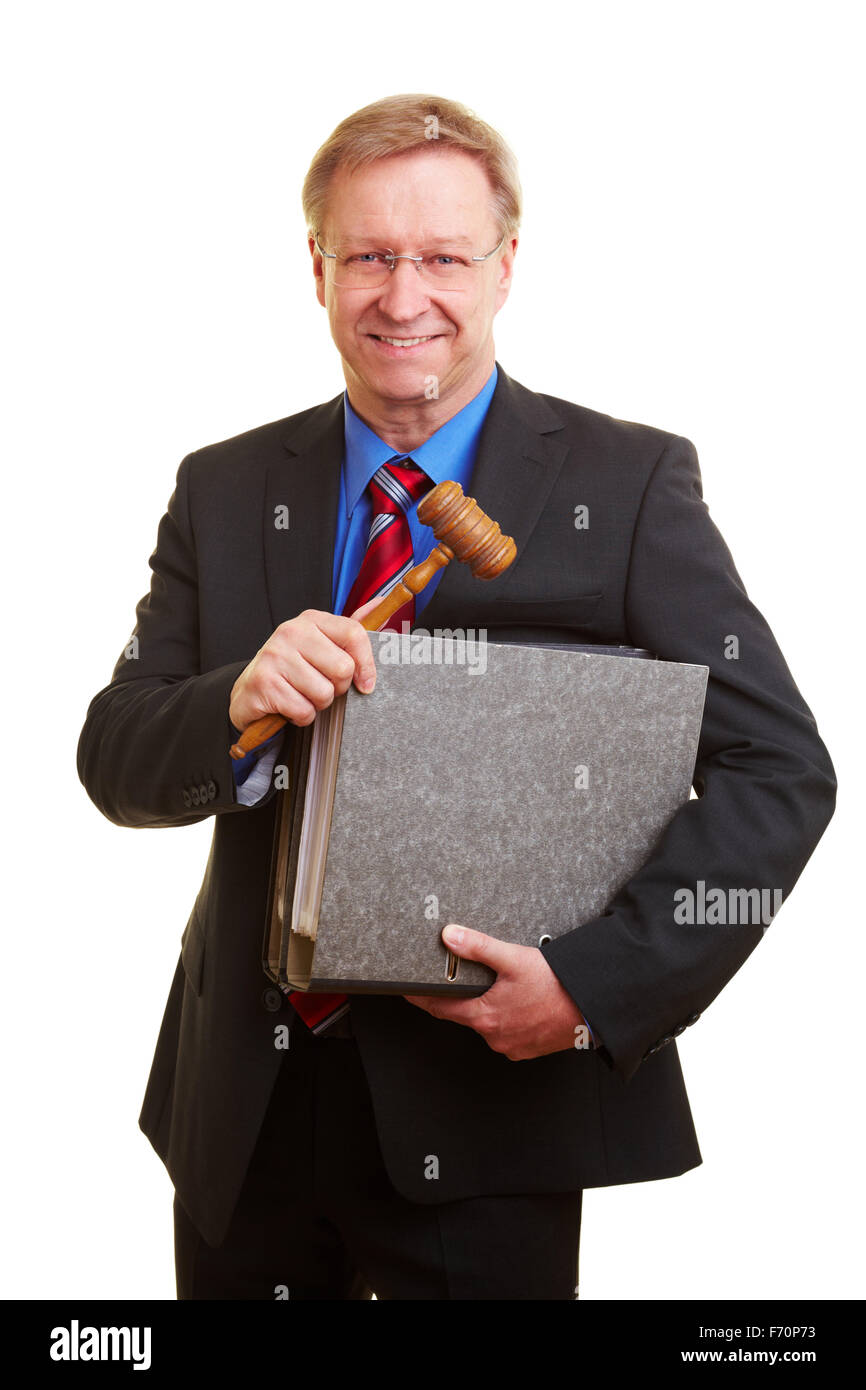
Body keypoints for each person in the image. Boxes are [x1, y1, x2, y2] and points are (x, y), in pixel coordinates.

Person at [76, 93, 836, 1301]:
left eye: (440, 256)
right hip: (248, 1108)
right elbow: (115, 756)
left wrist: (596, 982)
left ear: (503, 268)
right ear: (316, 268)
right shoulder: (223, 488)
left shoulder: (625, 484)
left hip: (488, 1113)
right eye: (369, 255)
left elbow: (778, 768)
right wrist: (233, 700)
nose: (401, 294)